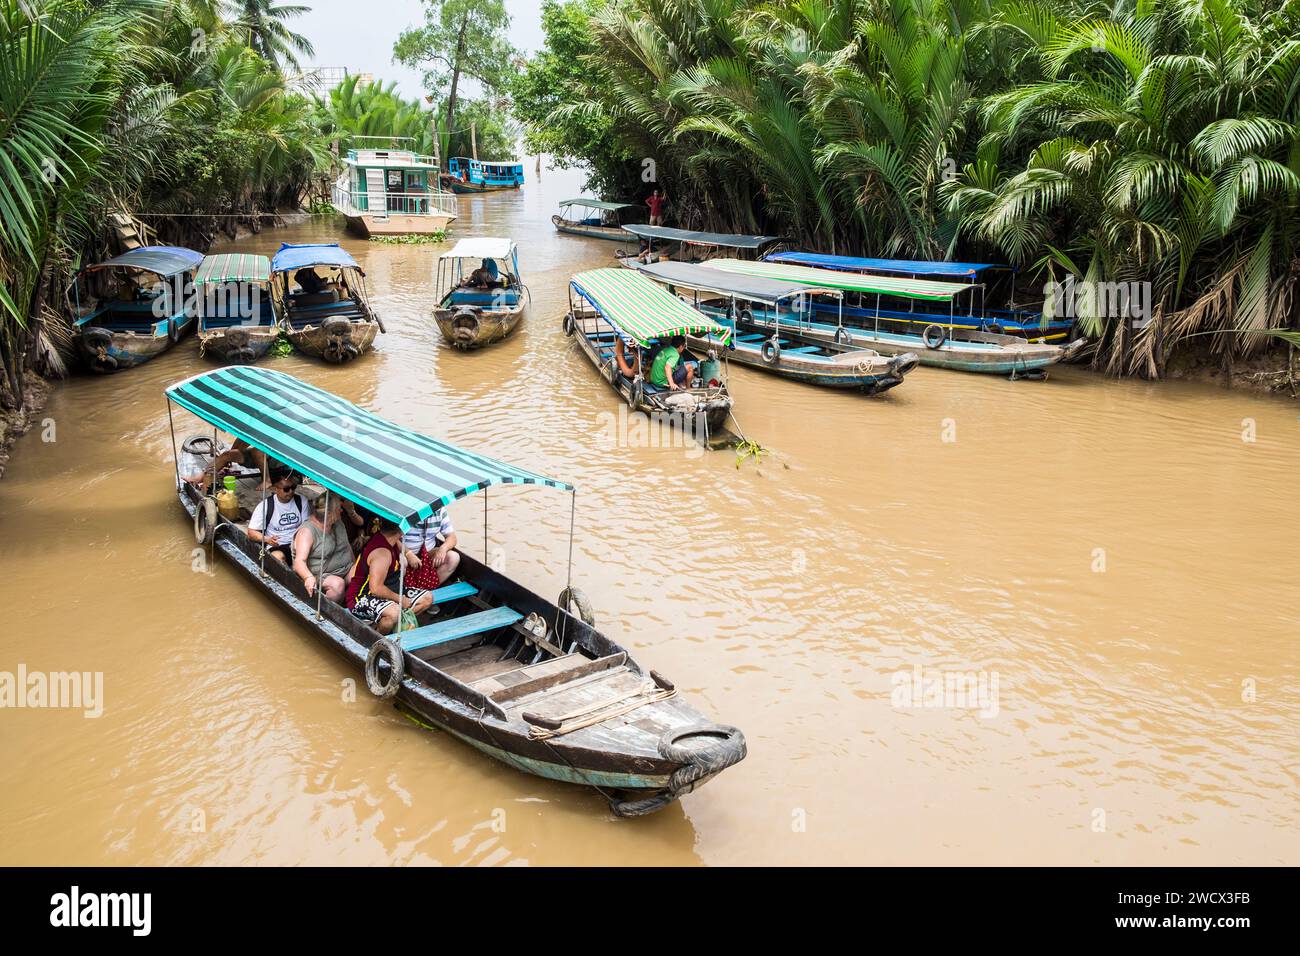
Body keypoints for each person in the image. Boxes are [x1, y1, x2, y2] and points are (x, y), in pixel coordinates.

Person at [345, 518, 434, 634]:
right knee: (393, 613)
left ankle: (394, 626)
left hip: (391, 589)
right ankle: (376, 637)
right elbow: (376, 589)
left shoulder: (391, 539)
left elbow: (398, 543)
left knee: (427, 598)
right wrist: (400, 599)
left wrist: (408, 554)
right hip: (362, 597)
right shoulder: (382, 554)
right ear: (402, 531)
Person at [292, 495, 355, 602]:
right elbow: (299, 562)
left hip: (346, 569)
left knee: (364, 572)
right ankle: (330, 610)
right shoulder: (307, 532)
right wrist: (308, 577)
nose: (341, 510)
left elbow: (346, 546)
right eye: (338, 508)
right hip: (323, 575)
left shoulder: (338, 522)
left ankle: (354, 605)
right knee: (338, 585)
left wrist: (354, 565)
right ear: (329, 514)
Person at [246, 467, 311, 564]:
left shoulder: (301, 501)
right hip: (278, 546)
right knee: (277, 557)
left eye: (293, 487)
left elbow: (307, 526)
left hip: (298, 544)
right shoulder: (265, 505)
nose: (290, 492)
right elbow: (251, 532)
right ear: (275, 489)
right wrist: (267, 539)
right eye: (286, 489)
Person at [401, 506, 461, 591]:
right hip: (403, 552)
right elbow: (393, 539)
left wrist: (442, 549)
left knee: (453, 558)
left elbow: (452, 537)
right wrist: (408, 554)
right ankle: (401, 592)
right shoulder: (405, 511)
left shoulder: (439, 511)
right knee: (402, 561)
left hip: (428, 553)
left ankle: (428, 590)